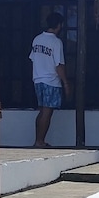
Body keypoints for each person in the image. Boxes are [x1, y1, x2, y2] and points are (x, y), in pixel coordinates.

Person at [30, 11, 69, 147]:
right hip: (51, 81)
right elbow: (58, 65)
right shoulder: (56, 42)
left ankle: (37, 139)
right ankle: (40, 141)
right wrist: (65, 83)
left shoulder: (37, 39)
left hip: (38, 79)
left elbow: (33, 59)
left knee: (41, 112)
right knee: (47, 113)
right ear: (59, 25)